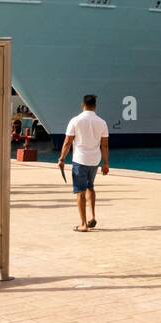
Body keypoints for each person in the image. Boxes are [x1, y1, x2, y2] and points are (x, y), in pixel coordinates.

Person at [58, 94, 109, 231]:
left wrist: (62, 158)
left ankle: (83, 224)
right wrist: (105, 163)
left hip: (80, 160)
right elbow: (104, 145)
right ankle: (92, 217)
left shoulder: (75, 121)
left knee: (80, 192)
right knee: (90, 187)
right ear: (95, 106)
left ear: (83, 105)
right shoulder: (102, 122)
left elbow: (68, 142)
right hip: (94, 161)